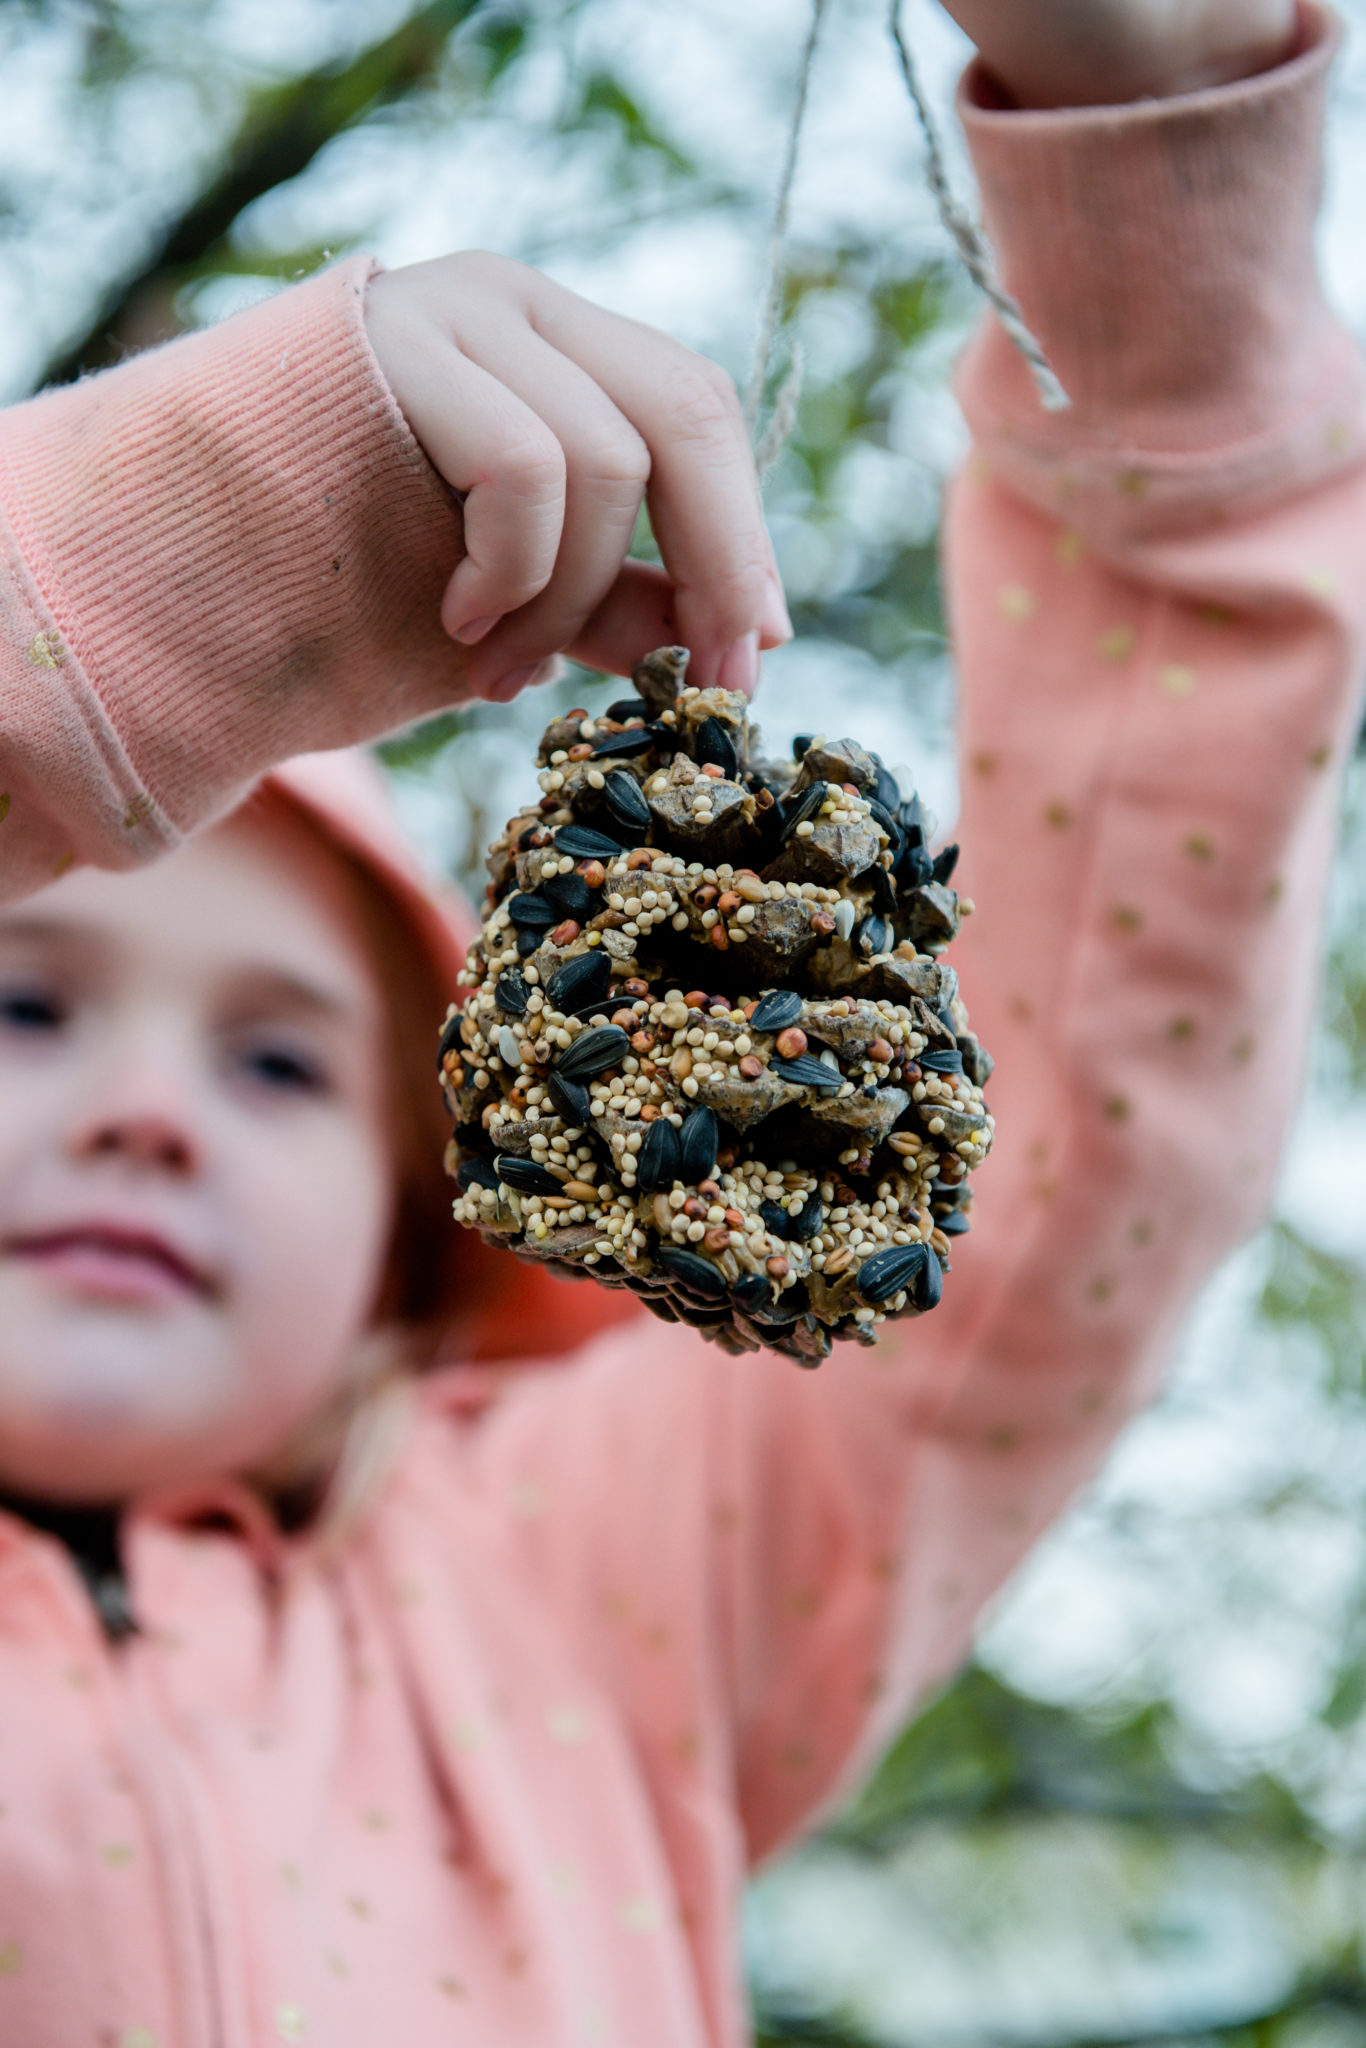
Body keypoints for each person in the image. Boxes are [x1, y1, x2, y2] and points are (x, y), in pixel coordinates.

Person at [0, 0, 1359, 2041]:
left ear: (412, 1226)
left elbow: (1068, 1141)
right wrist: (147, 573)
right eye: (23, 1004)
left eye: (279, 1060)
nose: (144, 1113)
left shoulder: (582, 1588)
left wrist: (1150, 163)